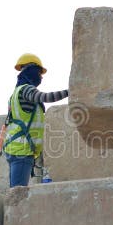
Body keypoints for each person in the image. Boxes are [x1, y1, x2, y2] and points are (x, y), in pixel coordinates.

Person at [4, 53, 69, 187]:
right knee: (18, 195)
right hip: (22, 150)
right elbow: (46, 97)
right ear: (31, 70)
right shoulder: (26, 90)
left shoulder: (16, 93)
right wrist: (70, 91)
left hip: (16, 149)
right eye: (39, 72)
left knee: (15, 191)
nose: (41, 77)